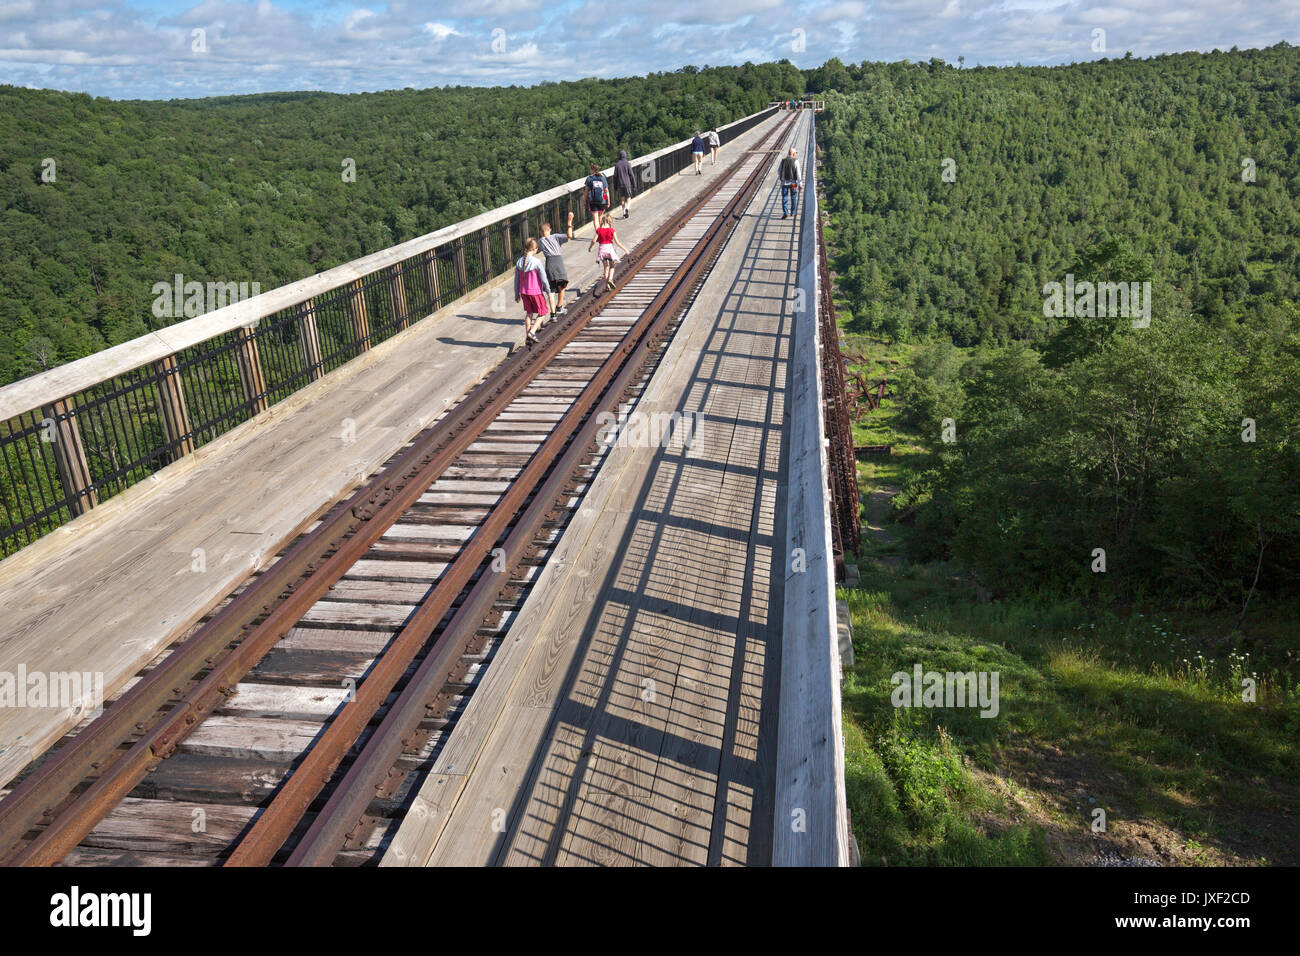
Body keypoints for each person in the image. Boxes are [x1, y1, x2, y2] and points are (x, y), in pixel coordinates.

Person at [514, 237, 551, 347]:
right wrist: (548, 291)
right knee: (543, 312)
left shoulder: (519, 262)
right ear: (534, 249)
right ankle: (532, 332)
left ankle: (527, 337)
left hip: (524, 292)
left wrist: (516, 293)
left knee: (529, 313)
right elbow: (544, 278)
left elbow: (516, 280)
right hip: (535, 292)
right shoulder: (536, 262)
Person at [538, 211, 575, 315]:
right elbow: (569, 235)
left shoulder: (540, 241)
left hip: (549, 265)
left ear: (540, 232)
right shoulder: (555, 236)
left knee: (552, 290)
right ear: (550, 230)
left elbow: (535, 249)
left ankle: (553, 314)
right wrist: (569, 221)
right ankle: (559, 307)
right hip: (558, 263)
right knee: (563, 286)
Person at [587, 212, 630, 293]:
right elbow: (617, 242)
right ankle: (610, 279)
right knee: (612, 266)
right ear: (610, 222)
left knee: (606, 268)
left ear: (602, 221)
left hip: (602, 250)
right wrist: (625, 249)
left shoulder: (599, 230)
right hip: (609, 249)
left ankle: (607, 285)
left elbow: (593, 240)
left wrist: (590, 248)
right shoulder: (612, 230)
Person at [585, 162, 611, 229]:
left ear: (592, 170)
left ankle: (598, 235)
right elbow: (606, 191)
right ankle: (602, 234)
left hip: (593, 201)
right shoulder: (603, 178)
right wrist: (608, 201)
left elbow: (586, 191)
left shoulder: (589, 178)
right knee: (600, 217)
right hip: (602, 201)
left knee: (595, 219)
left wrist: (584, 200)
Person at [778, 147, 801, 220]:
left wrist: (782, 177)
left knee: (784, 197)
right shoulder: (796, 161)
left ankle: (785, 212)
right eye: (796, 153)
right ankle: (793, 212)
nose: (796, 155)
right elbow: (798, 173)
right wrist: (800, 184)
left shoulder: (783, 161)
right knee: (793, 196)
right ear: (793, 154)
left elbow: (778, 171)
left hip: (784, 183)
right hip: (793, 183)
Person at [613, 149, 636, 219]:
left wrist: (615, 186)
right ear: (625, 156)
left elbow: (615, 176)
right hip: (627, 184)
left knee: (622, 199)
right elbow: (631, 175)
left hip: (620, 184)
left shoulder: (617, 165)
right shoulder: (628, 164)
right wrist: (634, 184)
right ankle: (627, 209)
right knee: (628, 197)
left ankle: (623, 213)